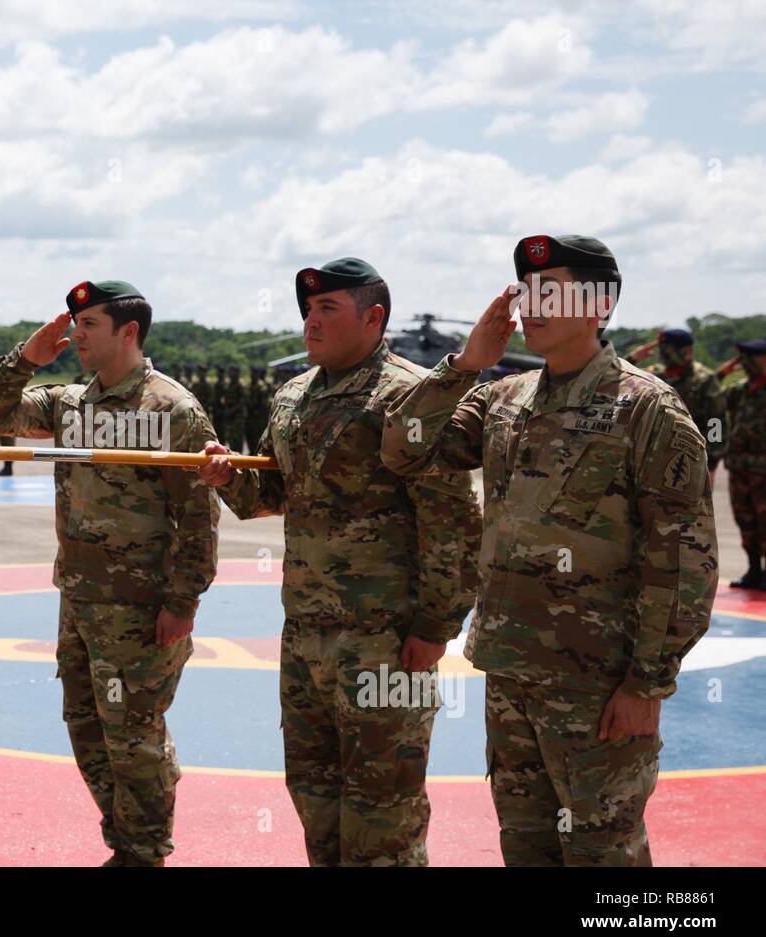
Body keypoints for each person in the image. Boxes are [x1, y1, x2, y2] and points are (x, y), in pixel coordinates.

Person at [381, 234, 718, 866]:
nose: (529, 304)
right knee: (527, 846)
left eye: (549, 290)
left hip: (598, 686)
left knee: (604, 852)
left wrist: (648, 682)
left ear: (600, 305)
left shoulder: (648, 411)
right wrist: (463, 367)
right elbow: (404, 449)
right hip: (511, 671)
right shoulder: (504, 400)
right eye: (524, 290)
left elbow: (683, 559)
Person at [198, 258, 481, 865]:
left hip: (384, 640)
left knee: (384, 812)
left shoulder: (412, 398)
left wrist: (435, 628)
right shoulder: (294, 395)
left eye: (328, 309)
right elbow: (272, 496)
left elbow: (453, 523)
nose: (311, 321)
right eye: (308, 309)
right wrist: (227, 476)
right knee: (315, 796)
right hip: (305, 636)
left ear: (373, 317)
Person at [0, 280, 219, 866]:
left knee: (134, 737)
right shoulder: (70, 405)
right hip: (80, 602)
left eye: (89, 326)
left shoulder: (171, 410)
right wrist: (27, 359)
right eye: (74, 325)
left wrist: (182, 603)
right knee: (86, 727)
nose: (76, 336)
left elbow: (198, 516)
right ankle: (125, 840)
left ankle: (146, 849)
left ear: (128, 332)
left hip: (141, 609)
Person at [625, 328, 726, 472]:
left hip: (689, 457)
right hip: (650, 456)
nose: (665, 355)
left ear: (687, 351)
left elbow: (715, 420)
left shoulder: (704, 379)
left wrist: (713, 459)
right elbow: (621, 381)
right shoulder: (654, 375)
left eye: (669, 350)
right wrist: (632, 359)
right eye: (663, 350)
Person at [721, 339, 766, 588]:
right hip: (739, 468)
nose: (745, 364)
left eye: (750, 358)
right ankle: (754, 570)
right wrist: (723, 372)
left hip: (763, 470)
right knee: (745, 519)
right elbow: (708, 394)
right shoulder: (740, 390)